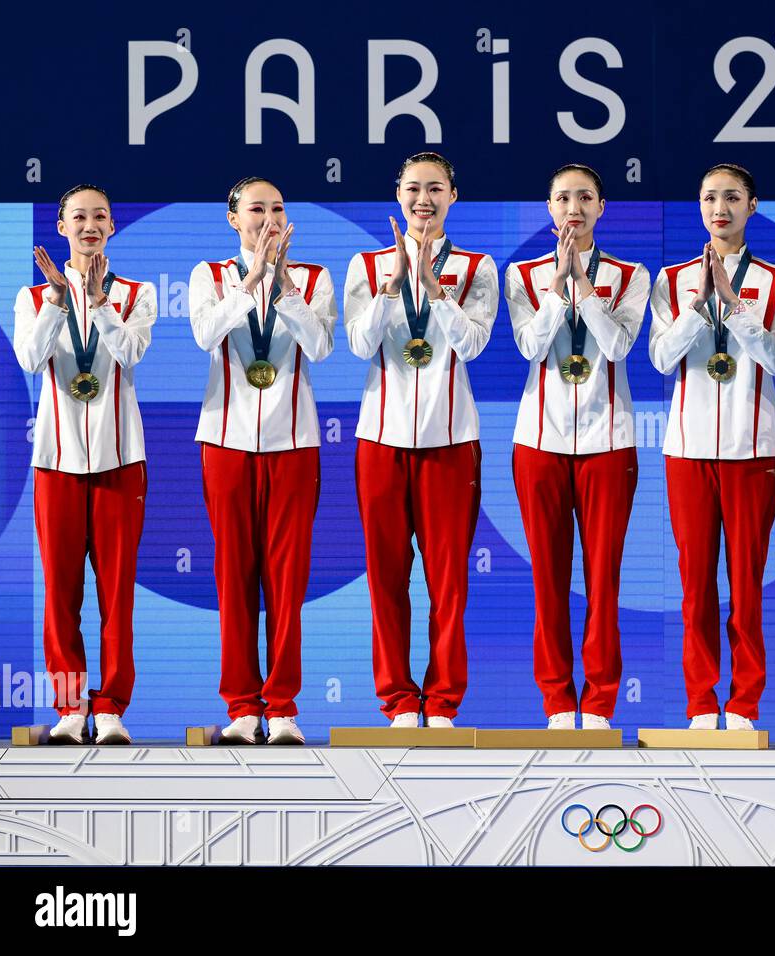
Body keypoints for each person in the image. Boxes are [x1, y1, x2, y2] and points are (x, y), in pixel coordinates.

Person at [344, 152, 497, 729]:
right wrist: (390, 289)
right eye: (413, 189)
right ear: (398, 195)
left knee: (448, 579)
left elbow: (474, 344)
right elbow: (359, 345)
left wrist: (433, 288)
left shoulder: (477, 267)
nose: (423, 200)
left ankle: (443, 701)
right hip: (380, 440)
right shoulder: (366, 263)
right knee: (386, 575)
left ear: (453, 195)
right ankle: (398, 700)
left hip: (451, 440)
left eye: (435, 188)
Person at [188, 177, 337, 745]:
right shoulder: (210, 275)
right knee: (234, 578)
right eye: (257, 209)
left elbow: (321, 347)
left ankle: (283, 708)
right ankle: (242, 706)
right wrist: (251, 280)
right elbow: (206, 335)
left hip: (293, 442)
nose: (269, 217)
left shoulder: (314, 279)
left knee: (286, 580)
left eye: (278, 207)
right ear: (234, 219)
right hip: (225, 441)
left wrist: (282, 287)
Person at [649, 163, 775, 731]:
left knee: (747, 585)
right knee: (695, 586)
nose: (720, 208)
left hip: (754, 447)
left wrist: (734, 304)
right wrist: (699, 304)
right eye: (710, 197)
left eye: (733, 197)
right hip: (687, 449)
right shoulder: (673, 279)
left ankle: (744, 703)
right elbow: (662, 359)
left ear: (752, 206)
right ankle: (700, 703)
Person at [504, 164, 648, 729]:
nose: (574, 208)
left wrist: (582, 288)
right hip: (538, 441)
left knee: (603, 578)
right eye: (563, 197)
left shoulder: (631, 275)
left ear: (601, 207)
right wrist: (556, 283)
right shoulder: (522, 274)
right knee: (547, 578)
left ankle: (602, 701)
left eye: (585, 197)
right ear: (548, 207)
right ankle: (559, 702)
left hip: (608, 440)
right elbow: (530, 347)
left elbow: (615, 347)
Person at [13, 185, 156, 745]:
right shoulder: (32, 295)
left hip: (122, 458)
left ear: (113, 227)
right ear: (61, 226)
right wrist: (56, 300)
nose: (89, 225)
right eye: (79, 216)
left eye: (100, 216)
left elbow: (131, 354)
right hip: (56, 458)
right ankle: (71, 707)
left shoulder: (135, 293)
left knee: (117, 592)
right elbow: (29, 357)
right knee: (61, 590)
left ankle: (112, 707)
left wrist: (96, 303)